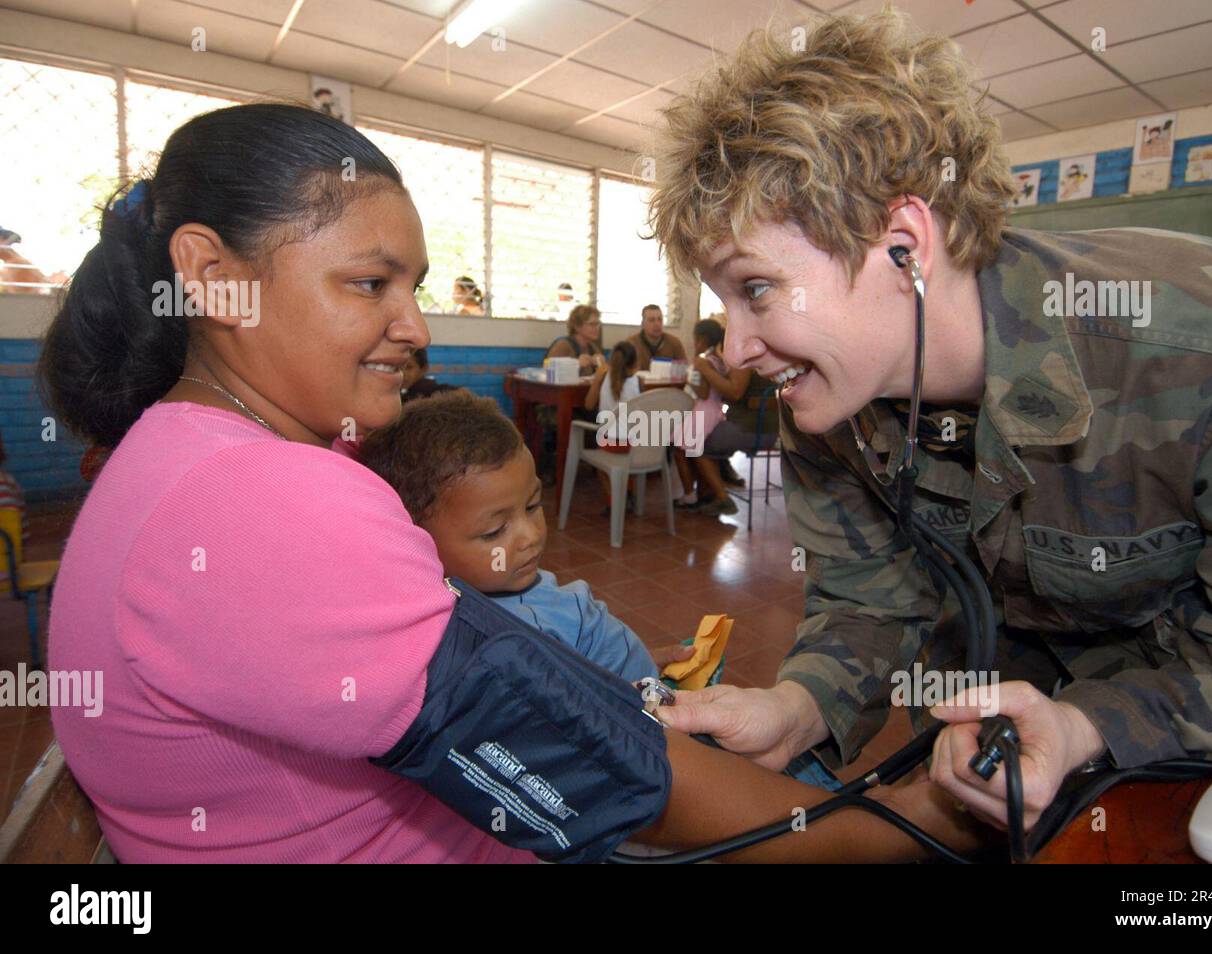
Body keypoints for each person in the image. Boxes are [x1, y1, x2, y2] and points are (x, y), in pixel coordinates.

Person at [40, 101, 965, 863]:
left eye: (416, 287)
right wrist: (895, 835)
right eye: (369, 284)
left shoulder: (175, 457)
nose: (417, 329)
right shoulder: (261, 501)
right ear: (212, 276)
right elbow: (586, 760)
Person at [647, 9, 1212, 841]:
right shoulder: (827, 401)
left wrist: (1085, 726)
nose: (735, 348)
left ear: (904, 247)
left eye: (758, 290)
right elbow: (869, 601)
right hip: (985, 747)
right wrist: (797, 706)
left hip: (1190, 781)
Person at [356, 390, 658, 682]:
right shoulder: (498, 638)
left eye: (532, 505)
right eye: (494, 531)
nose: (531, 536)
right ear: (415, 541)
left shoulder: (532, 615)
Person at [672, 318, 734, 515]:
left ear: (701, 339)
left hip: (704, 408)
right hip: (714, 409)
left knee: (680, 448)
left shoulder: (704, 361)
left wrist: (688, 381)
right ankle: (701, 492)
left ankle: (690, 494)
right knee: (688, 448)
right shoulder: (719, 359)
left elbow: (703, 392)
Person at [584, 340, 640, 512]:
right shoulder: (638, 382)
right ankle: (629, 493)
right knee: (628, 460)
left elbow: (588, 404)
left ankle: (614, 502)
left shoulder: (604, 379)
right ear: (635, 365)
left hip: (610, 444)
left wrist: (596, 379)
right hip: (636, 446)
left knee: (603, 465)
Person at [545, 304, 605, 375]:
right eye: (592, 324)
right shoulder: (563, 345)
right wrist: (576, 365)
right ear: (577, 326)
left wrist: (602, 366)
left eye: (597, 324)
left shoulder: (593, 348)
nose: (597, 328)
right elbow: (547, 369)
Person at [624, 303, 686, 369]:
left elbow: (684, 369)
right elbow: (621, 370)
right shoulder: (631, 344)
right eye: (652, 320)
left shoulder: (674, 343)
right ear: (643, 324)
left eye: (660, 319)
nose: (657, 324)